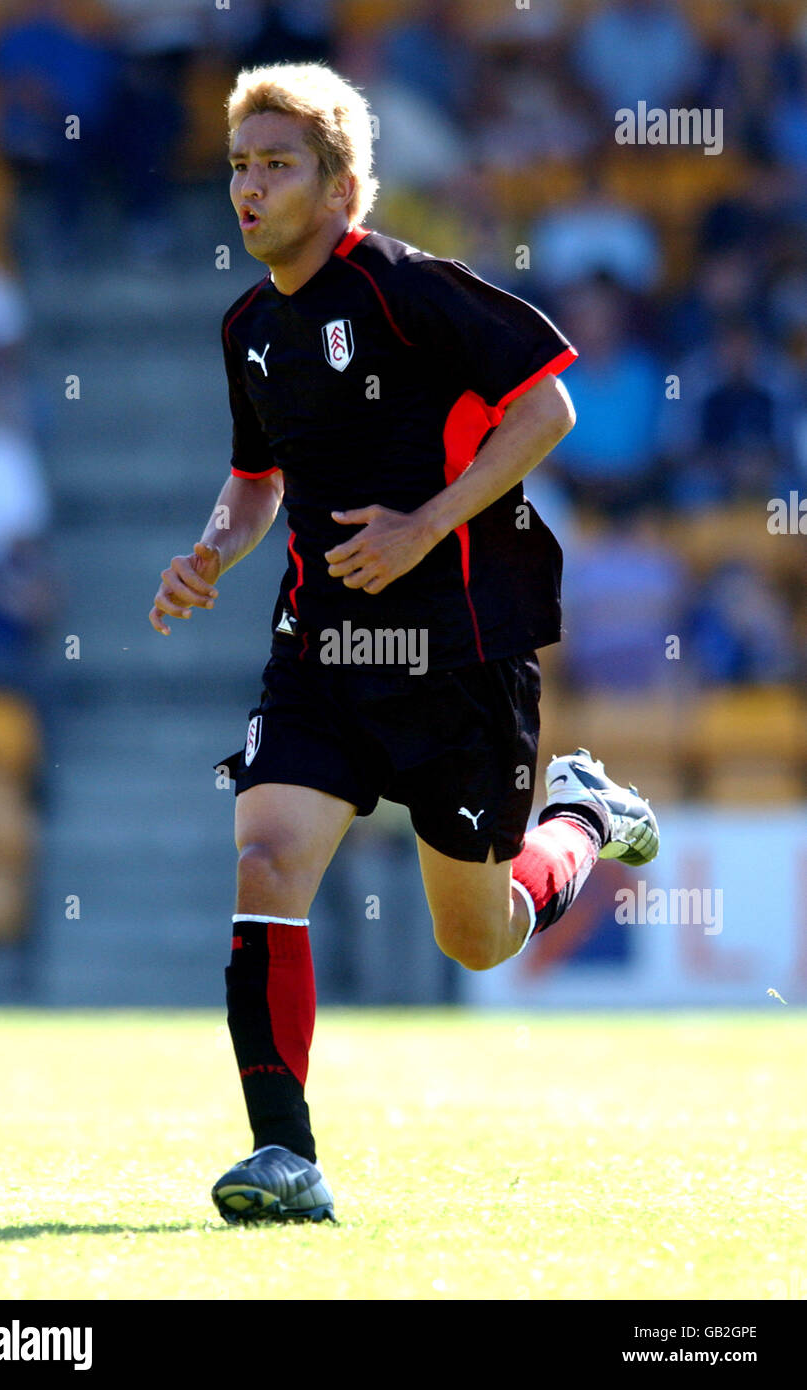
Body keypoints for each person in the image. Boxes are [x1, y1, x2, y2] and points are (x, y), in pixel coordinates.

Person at [149, 63, 660, 1225]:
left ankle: (577, 814)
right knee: (266, 860)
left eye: (277, 164)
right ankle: (286, 1156)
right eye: (238, 163)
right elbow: (252, 479)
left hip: (461, 655)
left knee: (478, 938)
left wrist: (427, 522)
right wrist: (211, 553)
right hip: (320, 655)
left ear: (338, 187)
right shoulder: (247, 329)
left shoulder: (407, 287)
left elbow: (547, 404)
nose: (248, 185)